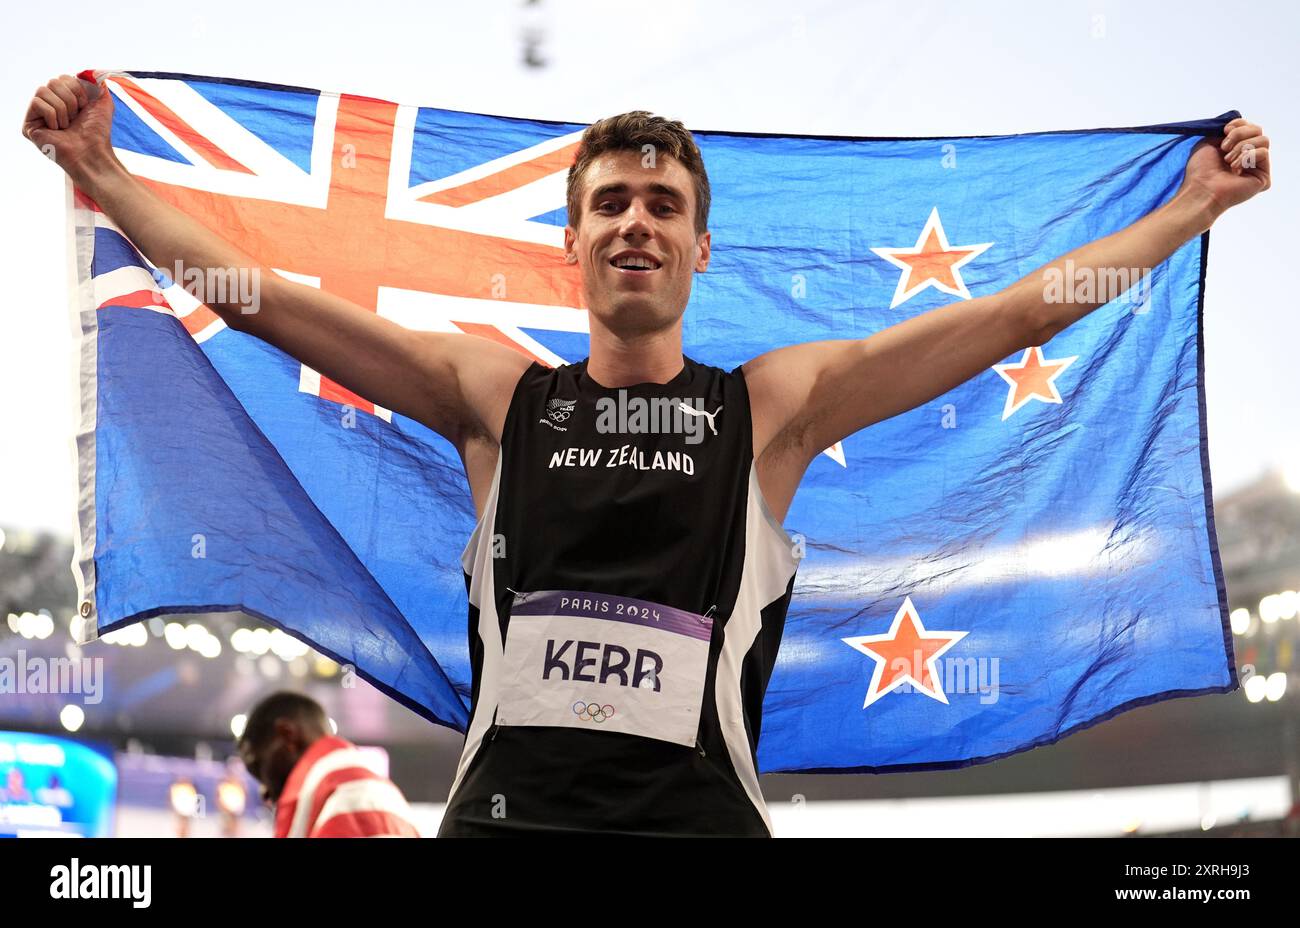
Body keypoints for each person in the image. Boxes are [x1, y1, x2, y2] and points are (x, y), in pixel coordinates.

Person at [23, 74, 1271, 836]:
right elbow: (261, 300)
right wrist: (105, 176)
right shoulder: (494, 394)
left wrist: (1188, 207)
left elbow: (1009, 318)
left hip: (703, 831)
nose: (636, 221)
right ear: (572, 240)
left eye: (663, 205)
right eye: (611, 203)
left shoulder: (774, 407)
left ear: (698, 251)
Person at [236, 691, 420, 838]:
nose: (263, 790)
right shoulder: (354, 785)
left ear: (287, 735)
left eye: (259, 767)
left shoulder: (349, 792)